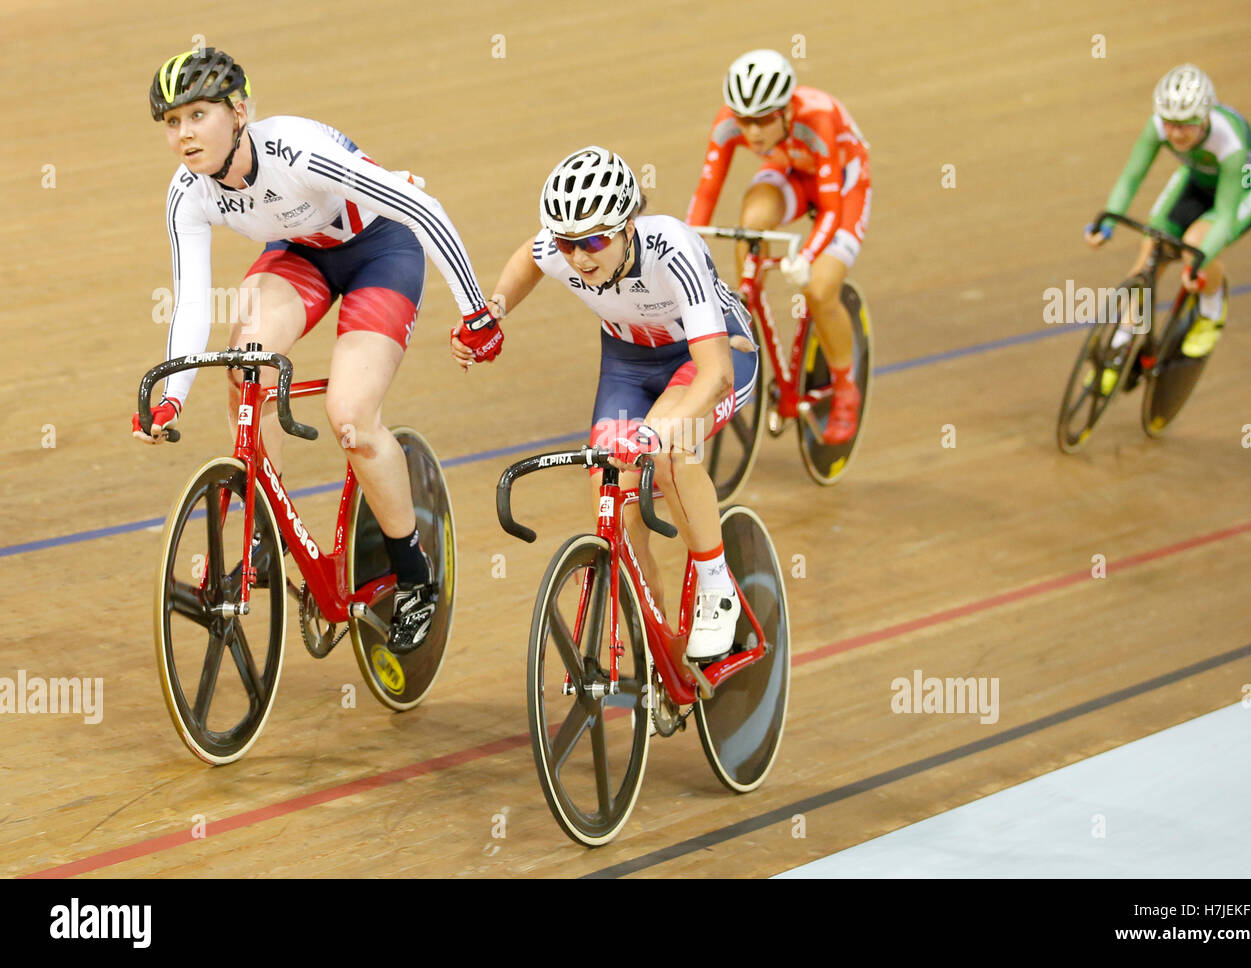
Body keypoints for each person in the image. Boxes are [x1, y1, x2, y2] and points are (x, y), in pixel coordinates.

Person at [134, 47, 500, 655]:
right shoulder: (188, 192)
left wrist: (477, 314)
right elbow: (194, 302)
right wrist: (171, 399)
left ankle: (413, 576)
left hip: (381, 246)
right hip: (301, 253)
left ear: (239, 111)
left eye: (198, 115)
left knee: (351, 419)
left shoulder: (297, 150)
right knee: (243, 362)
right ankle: (263, 527)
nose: (184, 135)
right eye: (172, 122)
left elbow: (423, 209)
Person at [452, 147, 759, 663]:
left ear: (628, 225)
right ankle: (657, 639)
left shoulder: (673, 250)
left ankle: (716, 587)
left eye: (594, 239)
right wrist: (494, 310)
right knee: (608, 489)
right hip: (631, 365)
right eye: (568, 242)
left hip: (708, 355)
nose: (579, 257)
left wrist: (657, 436)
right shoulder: (562, 250)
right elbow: (531, 254)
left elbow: (715, 374)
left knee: (666, 449)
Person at [686, 48, 871, 445]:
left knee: (820, 288)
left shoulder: (817, 118)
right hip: (790, 170)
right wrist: (685, 244)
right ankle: (748, 301)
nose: (753, 132)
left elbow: (832, 209)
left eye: (765, 119)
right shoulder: (728, 123)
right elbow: (706, 194)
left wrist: (805, 258)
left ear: (786, 110)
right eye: (745, 119)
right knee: (751, 223)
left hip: (843, 182)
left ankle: (845, 392)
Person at [1085, 64, 1251, 394]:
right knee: (1150, 252)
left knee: (1194, 244)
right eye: (1169, 124)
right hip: (1199, 179)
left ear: (1204, 117)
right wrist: (1109, 221)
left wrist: (1200, 260)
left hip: (1244, 187)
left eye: (1184, 126)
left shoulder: (1229, 141)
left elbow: (1226, 214)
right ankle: (1120, 343)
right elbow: (1131, 178)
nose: (1174, 134)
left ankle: (1211, 310)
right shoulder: (1160, 125)